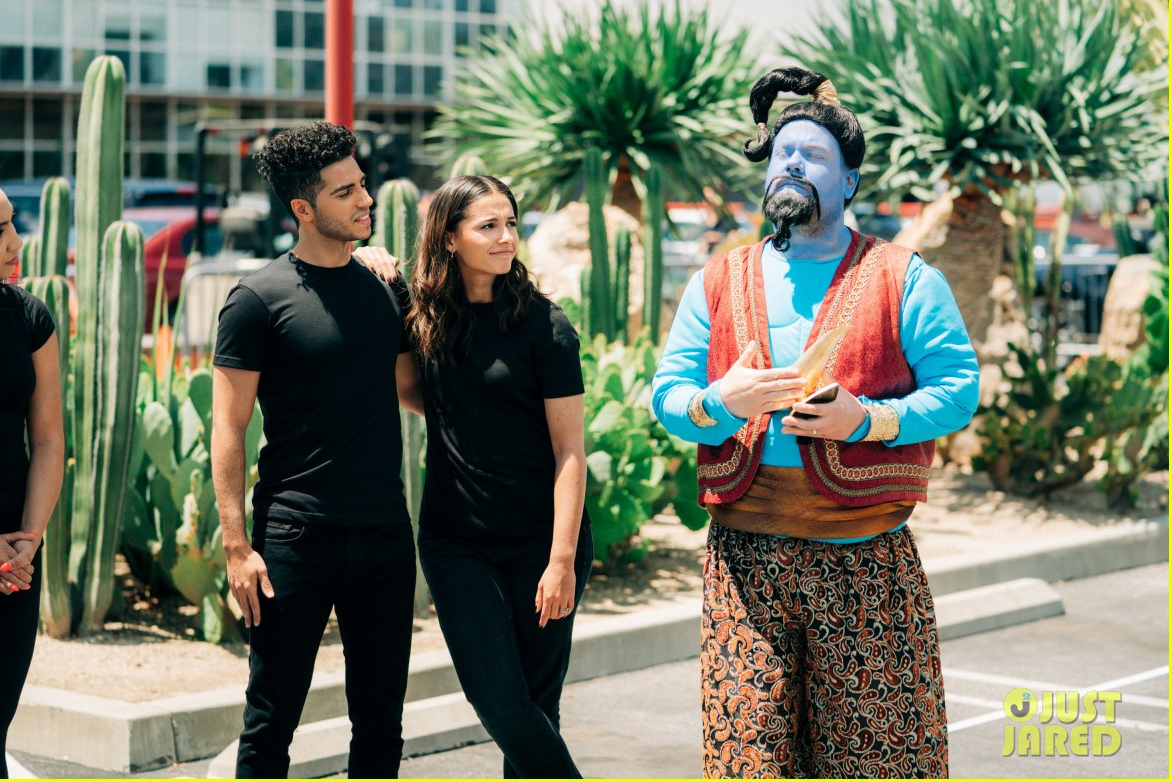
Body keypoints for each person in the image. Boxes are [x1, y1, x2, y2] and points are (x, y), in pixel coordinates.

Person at [652, 67, 980, 778]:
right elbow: (667, 394)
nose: (792, 164)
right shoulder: (718, 277)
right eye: (781, 154)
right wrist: (718, 405)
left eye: (814, 156)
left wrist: (871, 421)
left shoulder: (904, 276)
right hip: (745, 564)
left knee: (877, 759)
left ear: (851, 183)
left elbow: (959, 391)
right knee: (750, 760)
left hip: (867, 558)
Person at [355, 175, 592, 778]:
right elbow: (411, 389)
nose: (506, 237)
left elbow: (570, 452)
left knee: (536, 707)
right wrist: (365, 259)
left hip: (543, 542)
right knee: (497, 699)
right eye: (489, 226)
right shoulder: (424, 315)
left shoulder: (546, 325)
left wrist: (561, 560)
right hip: (455, 539)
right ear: (451, 237)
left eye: (511, 223)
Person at [211, 121, 423, 779]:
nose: (366, 198)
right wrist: (237, 547)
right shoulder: (257, 300)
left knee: (381, 725)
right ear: (303, 208)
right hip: (294, 537)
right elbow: (228, 427)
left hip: (386, 534)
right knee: (271, 722)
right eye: (345, 192)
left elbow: (414, 391)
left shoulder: (384, 287)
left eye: (362, 183)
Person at [0, 163, 65, 779]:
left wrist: (25, 544)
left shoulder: (28, 317)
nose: (16, 242)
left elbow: (51, 439)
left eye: (14, 227)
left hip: (9, 563)